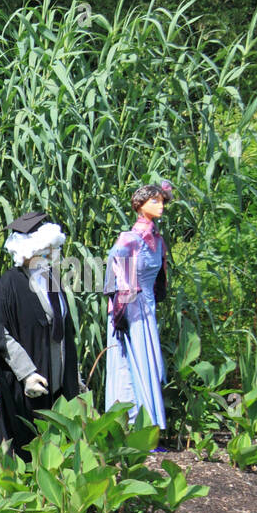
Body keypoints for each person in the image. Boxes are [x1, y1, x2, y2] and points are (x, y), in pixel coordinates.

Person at [0, 212, 81, 458]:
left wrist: (73, 375)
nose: (50, 256)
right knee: (24, 443)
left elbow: (64, 332)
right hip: (30, 386)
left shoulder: (52, 280)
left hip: (57, 384)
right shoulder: (10, 284)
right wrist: (26, 373)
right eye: (44, 250)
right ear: (28, 251)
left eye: (52, 250)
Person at [104, 181, 173, 431]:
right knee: (130, 362)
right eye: (154, 201)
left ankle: (147, 425)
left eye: (163, 201)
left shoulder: (158, 240)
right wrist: (122, 301)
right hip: (130, 307)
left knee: (149, 362)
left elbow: (159, 278)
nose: (161, 205)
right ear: (140, 205)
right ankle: (132, 424)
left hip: (147, 306)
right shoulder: (130, 239)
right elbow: (114, 267)